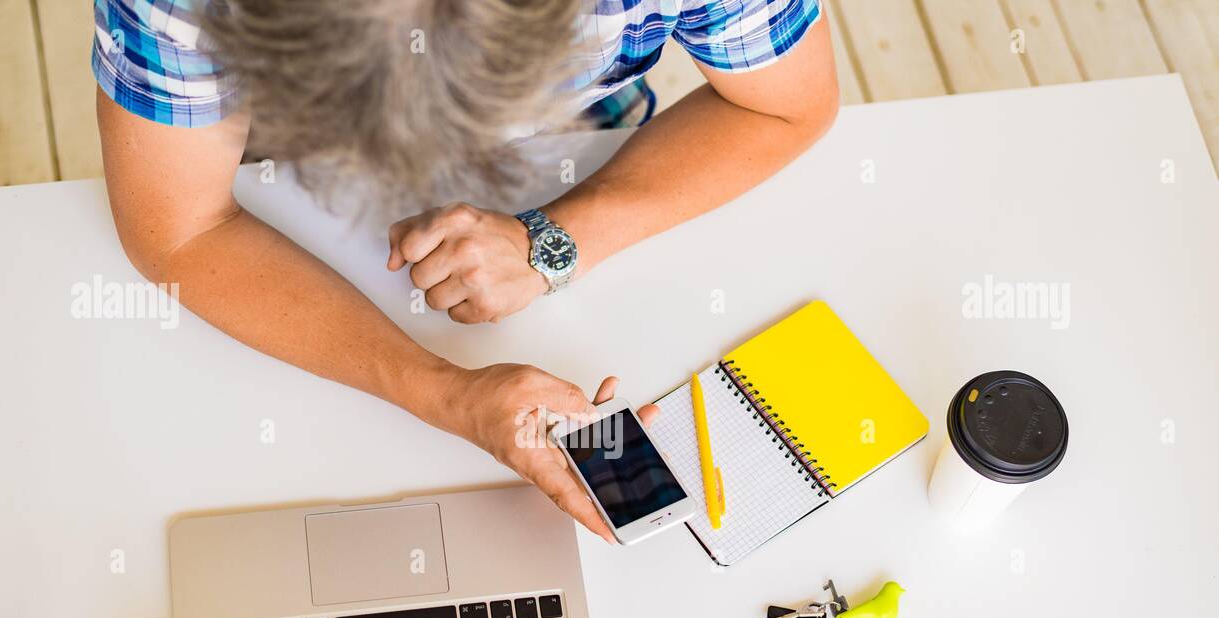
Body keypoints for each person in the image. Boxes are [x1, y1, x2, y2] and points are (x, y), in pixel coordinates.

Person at [93, 0, 839, 540]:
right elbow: (181, 229)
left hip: (582, 140)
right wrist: (443, 392)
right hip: (286, 164)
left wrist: (555, 240)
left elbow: (788, 108)